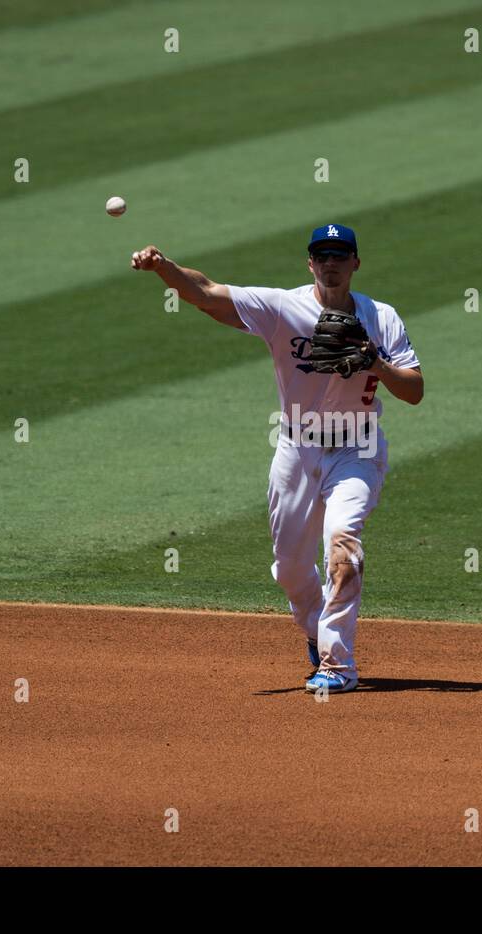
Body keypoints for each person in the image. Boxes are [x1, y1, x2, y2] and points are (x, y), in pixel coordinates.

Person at [131, 224, 423, 693]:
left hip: (358, 448)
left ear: (355, 263)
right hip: (296, 448)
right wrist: (164, 267)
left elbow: (414, 391)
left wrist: (375, 364)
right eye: (322, 255)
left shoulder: (381, 318)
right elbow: (207, 293)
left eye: (340, 255)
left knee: (343, 543)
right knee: (289, 567)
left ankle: (338, 664)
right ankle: (314, 628)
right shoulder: (284, 308)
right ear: (310, 262)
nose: (331, 263)